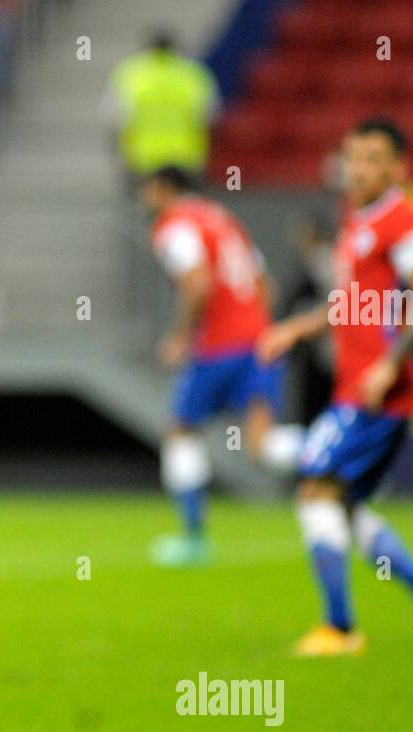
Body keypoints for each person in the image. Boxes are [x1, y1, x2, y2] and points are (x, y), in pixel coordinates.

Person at [259, 119, 413, 657]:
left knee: (313, 489)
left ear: (399, 168)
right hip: (359, 391)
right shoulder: (357, 219)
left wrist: (391, 363)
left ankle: (340, 628)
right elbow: (351, 303)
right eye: (352, 157)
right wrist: (297, 328)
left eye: (372, 159)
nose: (358, 169)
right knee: (344, 506)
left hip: (373, 397)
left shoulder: (403, 222)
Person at [143, 165, 300, 566]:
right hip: (258, 340)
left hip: (220, 346)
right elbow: (267, 285)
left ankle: (193, 539)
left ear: (164, 189)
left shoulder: (175, 224)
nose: (146, 199)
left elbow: (198, 284)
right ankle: (344, 454)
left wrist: (180, 335)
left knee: (179, 431)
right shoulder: (221, 217)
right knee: (263, 446)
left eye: (149, 190)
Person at [105, 31, 220, 181]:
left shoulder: (130, 74)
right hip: (185, 159)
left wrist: (119, 157)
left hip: (143, 159)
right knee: (184, 204)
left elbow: (115, 119)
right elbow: (210, 117)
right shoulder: (193, 74)